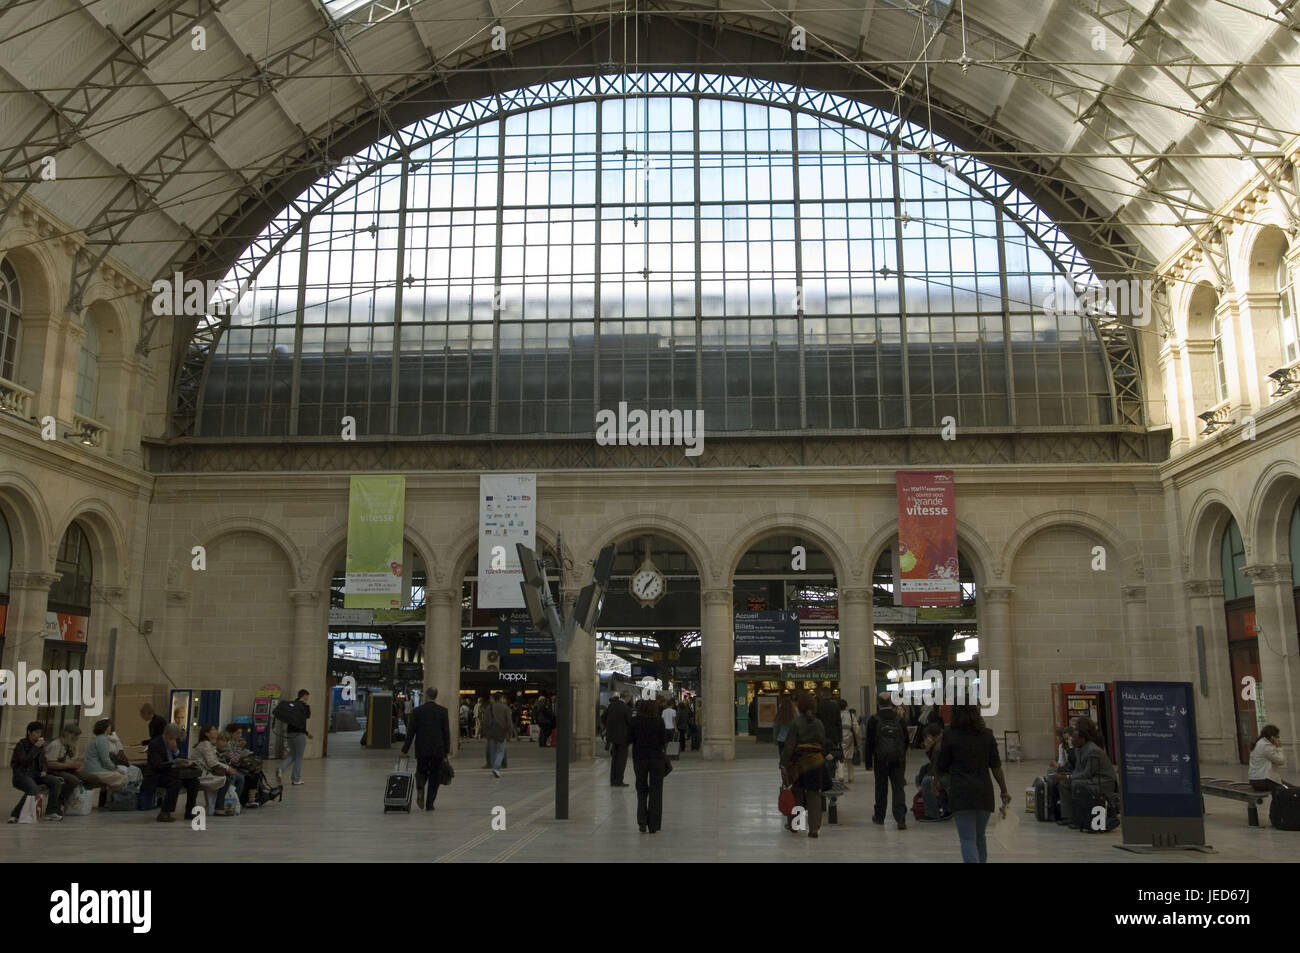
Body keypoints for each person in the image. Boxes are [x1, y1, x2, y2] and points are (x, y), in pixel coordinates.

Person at [935, 705, 1011, 862]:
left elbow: (942, 765)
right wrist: (1004, 790)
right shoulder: (987, 735)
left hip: (961, 792)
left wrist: (935, 782)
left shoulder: (950, 735)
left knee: (967, 839)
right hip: (984, 792)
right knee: (979, 836)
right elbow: (996, 767)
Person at [1056, 719, 1119, 830]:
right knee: (1064, 784)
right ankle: (1068, 816)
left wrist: (1069, 777)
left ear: (1082, 739)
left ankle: (1078, 818)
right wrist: (1066, 777)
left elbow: (1088, 773)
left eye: (1074, 738)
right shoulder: (1078, 749)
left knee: (1076, 784)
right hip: (1091, 778)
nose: (1072, 740)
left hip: (1103, 781)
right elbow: (1078, 770)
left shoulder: (1092, 751)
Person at [781, 694, 828, 838]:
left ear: (799, 708)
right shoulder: (819, 723)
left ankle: (797, 824)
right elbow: (823, 741)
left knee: (798, 793)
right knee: (814, 794)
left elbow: (789, 746)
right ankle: (814, 829)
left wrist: (783, 763)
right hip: (816, 762)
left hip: (799, 763)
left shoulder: (796, 723)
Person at [401, 686, 452, 810]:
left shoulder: (417, 711)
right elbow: (446, 732)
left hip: (422, 748)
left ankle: (420, 789)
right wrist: (446, 750)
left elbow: (411, 732)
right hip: (437, 750)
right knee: (435, 776)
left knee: (421, 771)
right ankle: (430, 803)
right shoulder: (443, 711)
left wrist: (404, 750)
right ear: (436, 696)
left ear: (426, 696)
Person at [864, 691, 910, 829]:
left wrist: (868, 762)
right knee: (898, 788)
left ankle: (879, 816)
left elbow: (869, 743)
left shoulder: (873, 720)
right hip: (898, 760)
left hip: (881, 759)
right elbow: (906, 740)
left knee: (881, 788)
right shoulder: (899, 719)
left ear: (878, 703)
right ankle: (900, 818)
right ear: (891, 703)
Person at [9, 722, 65, 822]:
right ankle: (15, 815)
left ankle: (51, 812)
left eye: (40, 733)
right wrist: (35, 748)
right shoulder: (21, 745)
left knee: (55, 782)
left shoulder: (40, 746)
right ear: (29, 732)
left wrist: (44, 770)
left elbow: (43, 761)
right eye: (36, 732)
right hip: (22, 775)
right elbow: (24, 761)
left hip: (35, 774)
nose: (39, 735)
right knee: (33, 789)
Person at [144, 722, 200, 822]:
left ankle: (189, 811)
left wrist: (175, 751)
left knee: (194, 782)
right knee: (175, 783)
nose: (174, 740)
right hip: (157, 774)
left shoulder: (175, 742)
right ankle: (165, 812)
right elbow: (157, 765)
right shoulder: (155, 744)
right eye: (172, 738)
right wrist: (174, 764)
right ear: (167, 734)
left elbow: (180, 756)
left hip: (173, 773)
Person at [630, 697, 668, 833]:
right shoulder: (659, 721)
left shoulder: (635, 721)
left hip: (640, 759)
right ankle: (654, 825)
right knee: (656, 791)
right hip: (656, 759)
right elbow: (663, 740)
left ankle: (642, 822)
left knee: (641, 790)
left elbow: (630, 738)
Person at [192, 724, 241, 814]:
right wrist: (228, 768)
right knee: (226, 778)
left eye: (216, 729)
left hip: (205, 771)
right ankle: (219, 807)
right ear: (207, 733)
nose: (216, 731)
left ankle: (226, 804)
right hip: (201, 773)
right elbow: (212, 763)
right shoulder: (205, 744)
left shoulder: (210, 744)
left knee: (232, 777)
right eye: (213, 729)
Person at [222, 723, 270, 807]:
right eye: (237, 733)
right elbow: (234, 761)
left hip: (237, 765)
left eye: (240, 733)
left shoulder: (236, 743)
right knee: (252, 773)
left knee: (255, 770)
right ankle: (249, 799)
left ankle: (252, 799)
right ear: (230, 733)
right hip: (232, 766)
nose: (240, 735)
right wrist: (240, 748)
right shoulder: (228, 744)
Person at [43, 725, 85, 813]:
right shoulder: (56, 744)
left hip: (64, 769)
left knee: (87, 777)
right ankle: (60, 800)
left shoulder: (67, 745)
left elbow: (71, 759)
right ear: (67, 734)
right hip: (53, 771)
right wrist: (70, 765)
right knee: (73, 780)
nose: (76, 739)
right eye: (74, 736)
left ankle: (76, 799)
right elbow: (50, 764)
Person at [274, 689, 312, 786]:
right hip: (299, 734)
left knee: (292, 755)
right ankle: (296, 779)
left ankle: (280, 769)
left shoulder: (292, 705)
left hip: (289, 733)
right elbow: (306, 718)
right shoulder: (303, 707)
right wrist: (306, 733)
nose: (308, 698)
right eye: (307, 696)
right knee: (299, 756)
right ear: (304, 696)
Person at [81, 720, 129, 794]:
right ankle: (110, 800)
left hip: (91, 768)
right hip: (95, 770)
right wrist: (116, 769)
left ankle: (106, 800)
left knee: (113, 780)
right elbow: (105, 760)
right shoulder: (103, 739)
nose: (111, 728)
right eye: (109, 726)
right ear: (106, 728)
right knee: (123, 778)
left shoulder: (97, 739)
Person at [915, 723, 950, 820]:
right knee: (920, 778)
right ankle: (934, 803)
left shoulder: (940, 746)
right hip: (944, 773)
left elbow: (938, 766)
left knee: (926, 781)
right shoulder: (937, 744)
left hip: (948, 775)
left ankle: (932, 813)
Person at [605, 691, 633, 787]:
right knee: (621, 760)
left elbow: (603, 717)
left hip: (612, 737)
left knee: (614, 759)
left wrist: (609, 728)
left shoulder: (611, 706)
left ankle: (613, 780)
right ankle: (619, 781)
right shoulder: (626, 708)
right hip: (623, 738)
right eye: (630, 697)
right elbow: (630, 724)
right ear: (627, 697)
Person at [1249, 725, 1288, 792]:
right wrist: (1279, 747)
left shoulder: (1259, 743)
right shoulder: (1266, 746)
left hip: (1255, 779)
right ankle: (1277, 802)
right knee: (1289, 791)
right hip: (1264, 780)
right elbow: (1281, 761)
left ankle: (1276, 802)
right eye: (1277, 736)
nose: (1279, 739)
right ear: (1272, 737)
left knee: (1284, 787)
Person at [483, 692, 514, 778]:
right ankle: (496, 767)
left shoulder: (488, 708)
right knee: (500, 751)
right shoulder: (505, 708)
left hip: (491, 732)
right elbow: (509, 722)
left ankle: (494, 767)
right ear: (501, 698)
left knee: (492, 751)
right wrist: (510, 733)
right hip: (501, 732)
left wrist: (485, 732)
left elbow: (485, 721)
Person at [839, 698, 857, 783]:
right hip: (849, 735)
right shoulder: (851, 714)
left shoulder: (837, 714)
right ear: (846, 706)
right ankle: (850, 777)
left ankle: (841, 776)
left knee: (841, 757)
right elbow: (856, 727)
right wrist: (856, 736)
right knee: (850, 757)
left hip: (840, 735)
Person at [773, 694, 795, 760]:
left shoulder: (779, 715)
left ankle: (783, 768)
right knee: (791, 758)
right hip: (791, 740)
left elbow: (776, 728)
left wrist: (775, 739)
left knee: (782, 758)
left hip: (781, 739)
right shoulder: (794, 714)